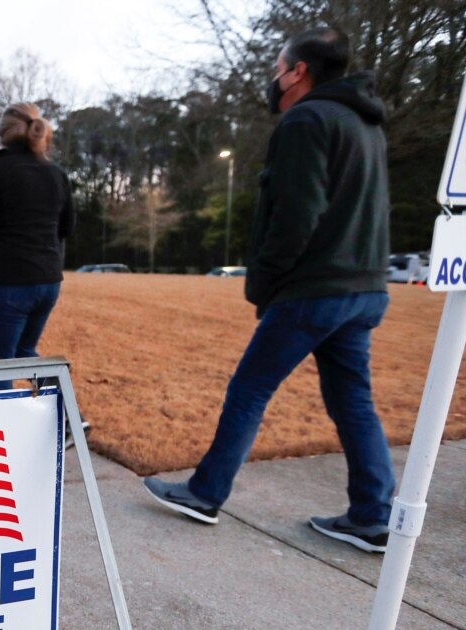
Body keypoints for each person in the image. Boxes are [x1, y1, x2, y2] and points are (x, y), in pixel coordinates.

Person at [144, 28, 395, 553]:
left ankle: (204, 493)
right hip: (364, 286)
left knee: (250, 389)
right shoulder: (366, 125)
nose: (273, 76)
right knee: (354, 402)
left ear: (297, 70)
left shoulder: (306, 119)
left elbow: (295, 215)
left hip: (312, 288)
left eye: (278, 66)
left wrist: (265, 280)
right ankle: (374, 517)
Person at [0, 102, 75, 391]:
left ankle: (5, 429)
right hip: (48, 282)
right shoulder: (56, 173)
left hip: (10, 284)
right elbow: (67, 229)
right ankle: (70, 415)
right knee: (23, 353)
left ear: (4, 132)